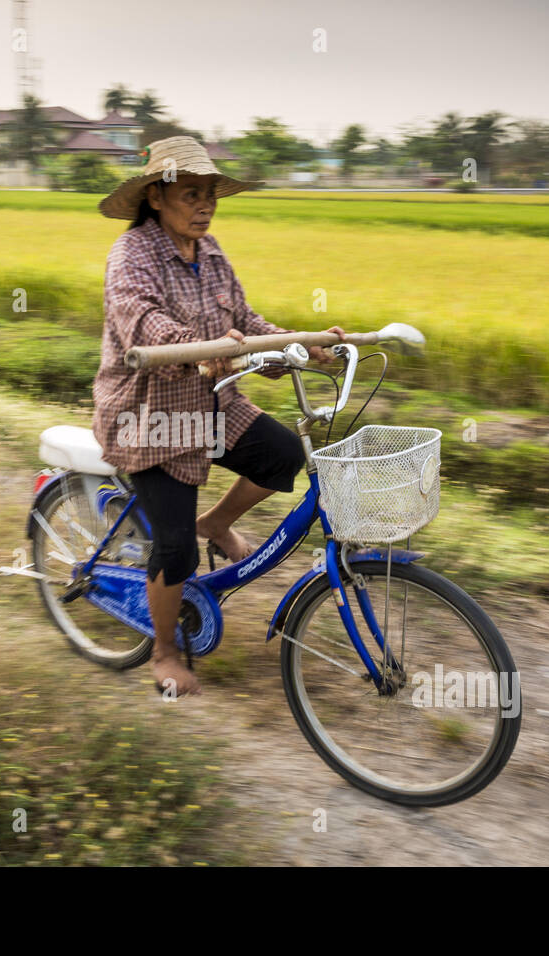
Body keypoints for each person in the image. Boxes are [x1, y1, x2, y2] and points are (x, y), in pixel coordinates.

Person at [92, 137, 345, 698]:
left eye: (210, 194)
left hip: (211, 402)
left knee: (283, 455)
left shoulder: (211, 254)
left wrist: (296, 346)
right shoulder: (131, 254)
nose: (204, 204)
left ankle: (217, 522)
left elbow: (245, 319)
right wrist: (199, 346)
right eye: (191, 193)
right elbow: (143, 321)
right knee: (175, 546)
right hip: (147, 416)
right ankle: (162, 651)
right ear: (156, 197)